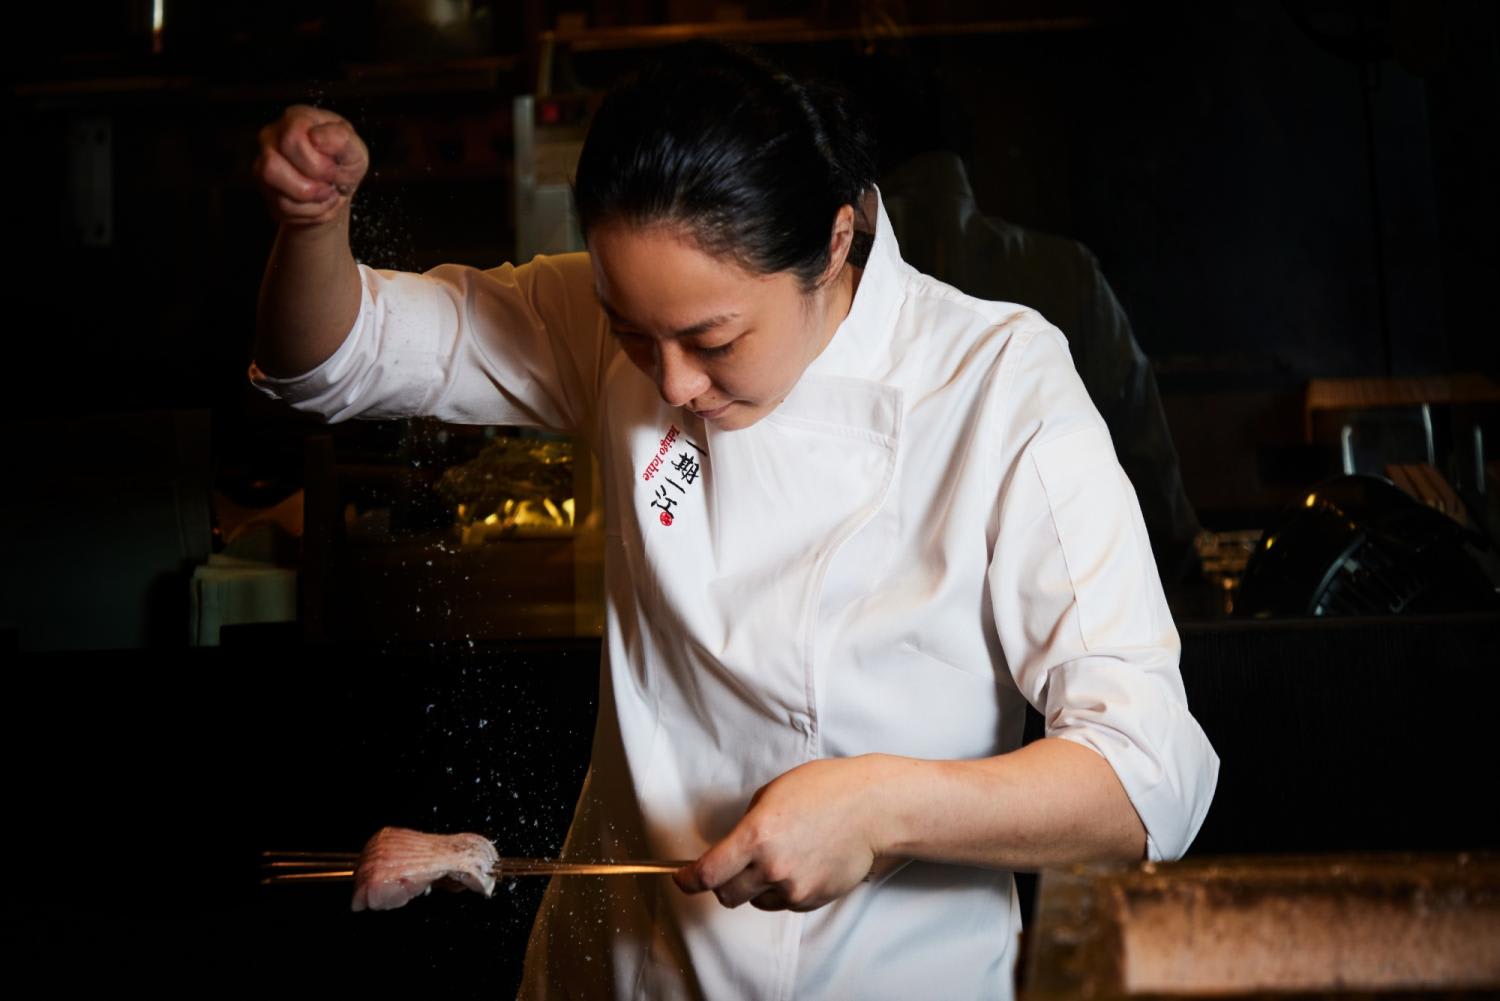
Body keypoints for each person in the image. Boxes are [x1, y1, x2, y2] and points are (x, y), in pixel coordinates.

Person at [251, 43, 1218, 1000]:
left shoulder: (996, 384)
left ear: (833, 245)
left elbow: (1145, 781)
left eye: (713, 340)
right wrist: (312, 223)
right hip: (630, 969)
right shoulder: (628, 322)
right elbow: (333, 359)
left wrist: (880, 807)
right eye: (633, 333)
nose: (671, 381)